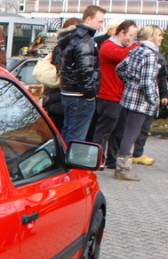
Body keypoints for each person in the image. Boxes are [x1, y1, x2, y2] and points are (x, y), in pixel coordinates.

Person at [114, 26, 165, 181]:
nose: (162, 38)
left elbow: (120, 68)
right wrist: (153, 99)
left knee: (128, 132)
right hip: (141, 102)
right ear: (151, 36)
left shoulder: (136, 50)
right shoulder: (150, 55)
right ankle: (122, 169)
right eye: (159, 35)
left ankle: (122, 166)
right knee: (131, 134)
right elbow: (147, 82)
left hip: (129, 98)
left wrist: (130, 82)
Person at [91, 20, 138, 169]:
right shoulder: (107, 46)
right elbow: (122, 55)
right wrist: (140, 45)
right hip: (108, 96)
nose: (131, 40)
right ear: (121, 32)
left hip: (120, 97)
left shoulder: (121, 47)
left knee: (119, 132)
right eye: (130, 35)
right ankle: (96, 161)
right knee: (104, 131)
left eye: (134, 37)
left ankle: (111, 160)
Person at [56, 5, 106, 144]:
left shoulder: (72, 37)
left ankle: (64, 161)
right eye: (100, 21)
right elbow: (85, 70)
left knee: (68, 131)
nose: (101, 26)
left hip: (69, 91)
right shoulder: (85, 40)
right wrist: (90, 94)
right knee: (76, 136)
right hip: (80, 95)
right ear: (89, 19)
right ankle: (70, 164)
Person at [42, 18, 81, 133]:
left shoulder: (59, 47)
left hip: (55, 96)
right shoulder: (66, 48)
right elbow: (63, 71)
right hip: (60, 96)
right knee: (63, 132)